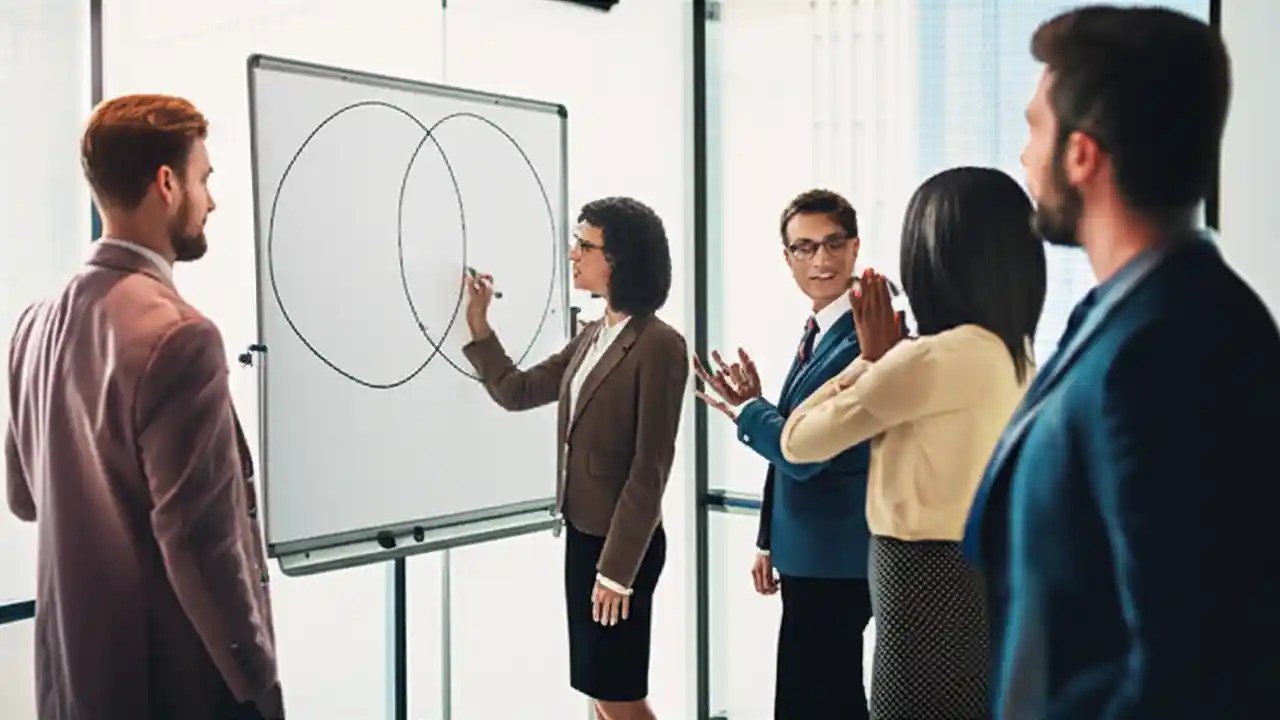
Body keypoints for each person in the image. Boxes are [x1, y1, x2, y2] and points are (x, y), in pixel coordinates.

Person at [961, 7, 1280, 719]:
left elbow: (1187, 660)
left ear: (1082, 154)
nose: (1022, 155)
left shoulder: (1175, 342)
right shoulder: (1120, 318)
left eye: (1034, 126)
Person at [4, 94, 283, 719]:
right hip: (172, 689)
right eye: (204, 178)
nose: (210, 200)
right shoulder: (182, 337)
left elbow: (23, 497)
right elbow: (200, 545)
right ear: (166, 183)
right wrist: (257, 682)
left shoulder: (33, 326)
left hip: (71, 685)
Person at [778, 167, 1046, 720]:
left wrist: (870, 359)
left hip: (922, 584)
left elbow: (798, 439)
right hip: (987, 573)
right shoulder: (1014, 353)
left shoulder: (928, 359)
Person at [461, 196, 687, 720]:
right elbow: (516, 390)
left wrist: (616, 571)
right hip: (584, 534)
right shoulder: (592, 336)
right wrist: (479, 323)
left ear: (621, 259)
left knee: (616, 691)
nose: (573, 254)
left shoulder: (659, 345)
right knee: (598, 686)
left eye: (585, 245)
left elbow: (650, 469)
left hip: (620, 548)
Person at [693, 189, 875, 719]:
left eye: (833, 243)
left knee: (819, 702)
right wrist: (770, 539)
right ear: (787, 258)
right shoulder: (819, 328)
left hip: (837, 558)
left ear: (855, 245)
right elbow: (798, 437)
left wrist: (750, 409)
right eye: (804, 247)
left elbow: (804, 452)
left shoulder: (869, 337)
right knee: (815, 697)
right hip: (807, 553)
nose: (821, 260)